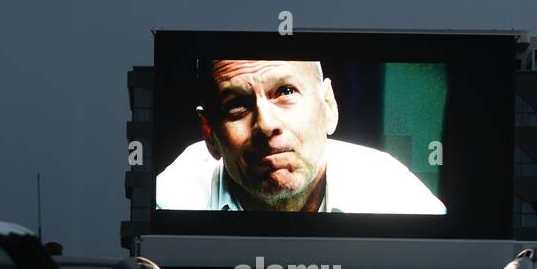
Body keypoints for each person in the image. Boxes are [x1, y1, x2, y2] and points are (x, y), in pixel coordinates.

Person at [156, 59, 447, 214]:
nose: (266, 125)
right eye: (236, 104)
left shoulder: (393, 197)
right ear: (209, 134)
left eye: (285, 92)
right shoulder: (171, 201)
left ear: (329, 107)